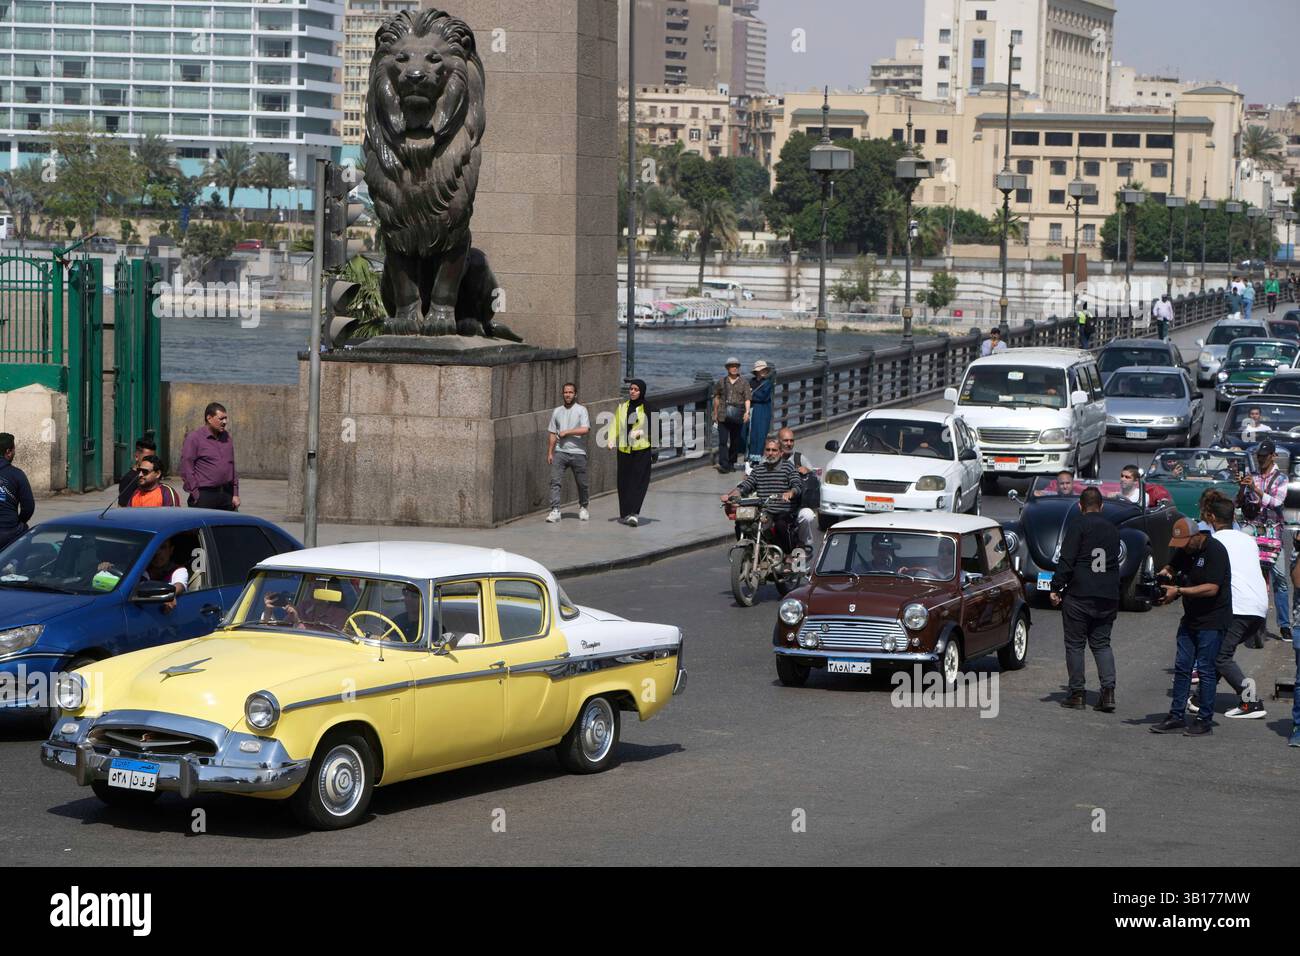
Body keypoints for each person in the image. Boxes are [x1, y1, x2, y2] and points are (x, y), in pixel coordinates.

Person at [1151, 517, 1231, 736]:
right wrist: (1164, 574)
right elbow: (1172, 567)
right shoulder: (1185, 550)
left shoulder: (1215, 550)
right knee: (1182, 666)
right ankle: (1176, 715)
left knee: (1205, 670)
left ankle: (1204, 720)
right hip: (1191, 618)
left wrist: (1178, 591)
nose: (1183, 547)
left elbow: (1212, 588)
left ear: (1197, 536)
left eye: (1185, 542)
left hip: (1213, 619)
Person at [1195, 493, 1268, 719]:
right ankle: (1200, 698)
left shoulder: (1215, 542)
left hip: (1238, 607)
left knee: (1220, 657)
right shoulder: (1248, 539)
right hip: (1259, 606)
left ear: (1212, 518)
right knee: (1221, 652)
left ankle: (1251, 702)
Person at [1050, 486, 1121, 711]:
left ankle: (1077, 693)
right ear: (1101, 506)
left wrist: (1056, 587)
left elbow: (1067, 559)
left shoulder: (1078, 525)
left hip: (1080, 593)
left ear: (1080, 506)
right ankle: (1108, 693)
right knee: (1101, 644)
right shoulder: (1113, 528)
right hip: (1107, 594)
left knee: (1075, 645)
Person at [1238, 439, 1289, 641]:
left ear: (1272, 456)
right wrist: (1242, 487)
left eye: (1264, 456)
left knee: (1281, 579)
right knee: (1253, 578)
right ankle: (1255, 624)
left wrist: (1257, 490)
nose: (1260, 460)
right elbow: (1240, 503)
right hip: (1253, 528)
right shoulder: (1252, 476)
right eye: (1258, 456)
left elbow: (1277, 502)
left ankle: (1284, 624)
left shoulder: (1281, 479)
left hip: (1273, 532)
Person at [720, 437, 802, 558]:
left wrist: (790, 492)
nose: (770, 453)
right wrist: (731, 495)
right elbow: (746, 485)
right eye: (768, 450)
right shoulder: (758, 469)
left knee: (781, 525)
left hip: (782, 511)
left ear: (780, 452)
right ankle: (747, 552)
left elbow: (797, 484)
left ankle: (788, 555)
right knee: (742, 523)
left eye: (774, 450)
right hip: (764, 511)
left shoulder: (788, 467)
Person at [180, 402, 239, 510]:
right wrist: (195, 493)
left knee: (226, 526)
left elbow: (232, 467)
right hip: (204, 496)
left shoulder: (227, 437)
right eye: (221, 418)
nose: (225, 422)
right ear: (209, 418)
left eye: (226, 418)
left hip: (226, 495)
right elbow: (186, 468)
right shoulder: (194, 438)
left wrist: (235, 493)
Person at [545, 382, 590, 524]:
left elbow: (585, 429)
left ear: (575, 394)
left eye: (570, 392)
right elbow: (552, 432)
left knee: (582, 483)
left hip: (578, 452)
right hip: (560, 451)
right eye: (565, 392)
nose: (568, 395)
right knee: (555, 481)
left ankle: (583, 507)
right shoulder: (557, 411)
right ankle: (555, 510)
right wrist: (550, 452)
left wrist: (567, 432)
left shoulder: (581, 410)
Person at [614, 379, 652, 527]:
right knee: (623, 482)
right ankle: (625, 512)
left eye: (636, 389)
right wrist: (611, 439)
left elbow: (657, 430)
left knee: (638, 482)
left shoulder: (649, 408)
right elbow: (615, 425)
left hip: (641, 450)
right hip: (624, 449)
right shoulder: (623, 407)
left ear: (641, 391)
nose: (633, 392)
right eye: (631, 389)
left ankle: (634, 513)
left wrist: (641, 433)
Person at [777, 427, 818, 554]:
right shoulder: (771, 458)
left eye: (791, 441)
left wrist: (808, 471)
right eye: (785, 441)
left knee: (807, 516)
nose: (789, 444)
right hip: (775, 505)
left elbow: (815, 479)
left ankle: (802, 545)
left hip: (797, 505)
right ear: (779, 442)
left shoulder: (799, 458)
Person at [712, 358, 751, 474]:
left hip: (737, 415)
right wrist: (715, 413)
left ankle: (731, 462)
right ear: (727, 368)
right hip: (723, 415)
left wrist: (747, 412)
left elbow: (747, 398)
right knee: (723, 441)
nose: (734, 368)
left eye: (736, 366)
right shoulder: (721, 382)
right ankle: (724, 464)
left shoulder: (744, 382)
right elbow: (717, 397)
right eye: (732, 366)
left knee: (735, 441)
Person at [0, 433, 34, 552]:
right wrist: (20, 522)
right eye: (14, 450)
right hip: (8, 531)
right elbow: (28, 507)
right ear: (8, 452)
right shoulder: (17, 474)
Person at [745, 360, 774, 466]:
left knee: (761, 434)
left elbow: (763, 396)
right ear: (756, 371)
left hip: (763, 410)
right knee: (751, 435)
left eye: (764, 370)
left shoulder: (767, 383)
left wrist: (751, 395)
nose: (762, 372)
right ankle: (751, 458)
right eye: (760, 370)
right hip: (752, 410)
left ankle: (757, 459)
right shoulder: (751, 381)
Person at [117, 436, 158, 506]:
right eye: (146, 458)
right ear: (136, 456)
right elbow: (123, 508)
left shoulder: (153, 473)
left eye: (152, 458)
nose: (150, 461)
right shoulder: (129, 479)